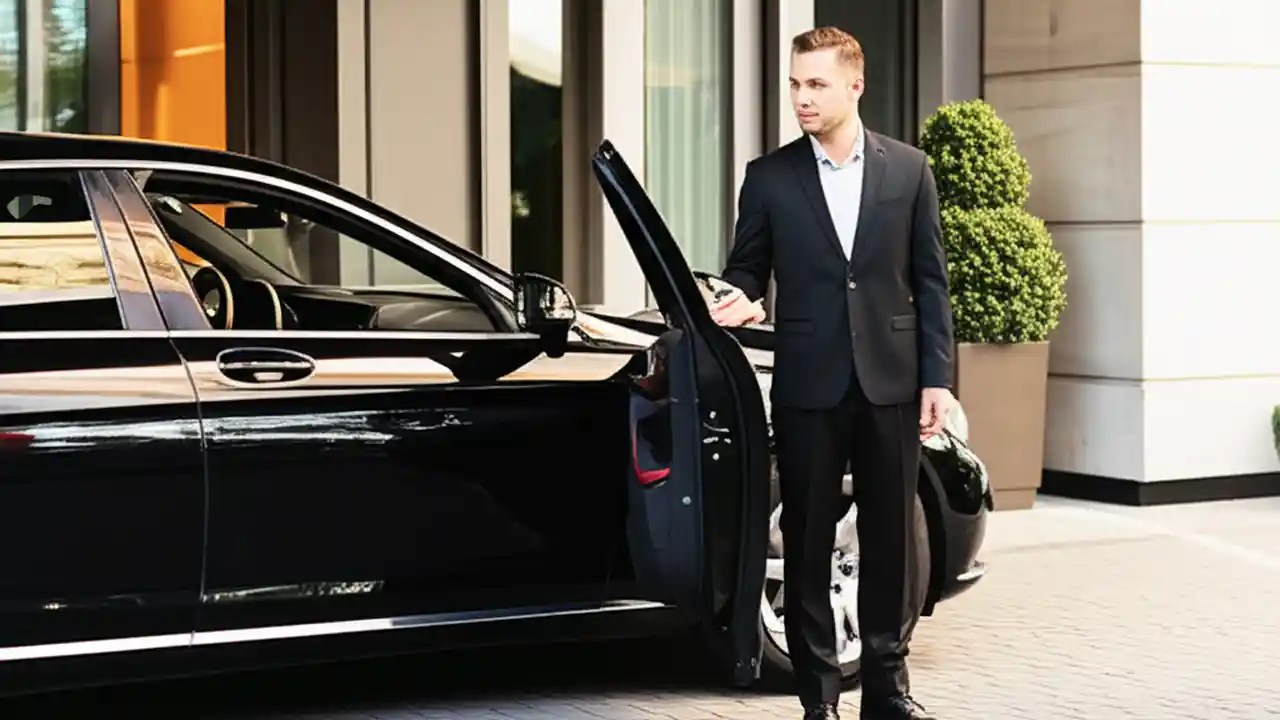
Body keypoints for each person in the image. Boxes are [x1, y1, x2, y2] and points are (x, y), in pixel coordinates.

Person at [710, 26, 956, 720]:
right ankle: (818, 700)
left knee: (890, 542)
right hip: (810, 385)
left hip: (892, 380)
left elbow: (931, 283)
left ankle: (886, 688)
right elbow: (746, 268)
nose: (801, 98)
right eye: (794, 83)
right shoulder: (769, 177)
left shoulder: (909, 172)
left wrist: (936, 376)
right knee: (810, 544)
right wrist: (738, 295)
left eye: (815, 84)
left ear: (855, 85)